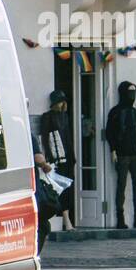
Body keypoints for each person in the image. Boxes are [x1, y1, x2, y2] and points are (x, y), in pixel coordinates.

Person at [105, 80, 136, 230]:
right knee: (121, 185)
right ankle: (120, 218)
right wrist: (113, 150)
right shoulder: (115, 112)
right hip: (122, 154)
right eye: (129, 92)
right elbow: (110, 133)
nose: (132, 95)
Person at [38, 89, 76, 229]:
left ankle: (67, 220)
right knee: (57, 188)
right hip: (55, 159)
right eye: (60, 102)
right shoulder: (48, 117)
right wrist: (47, 158)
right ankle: (64, 220)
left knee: (67, 188)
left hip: (67, 157)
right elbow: (45, 139)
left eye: (62, 101)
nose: (62, 104)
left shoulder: (64, 117)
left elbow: (67, 138)